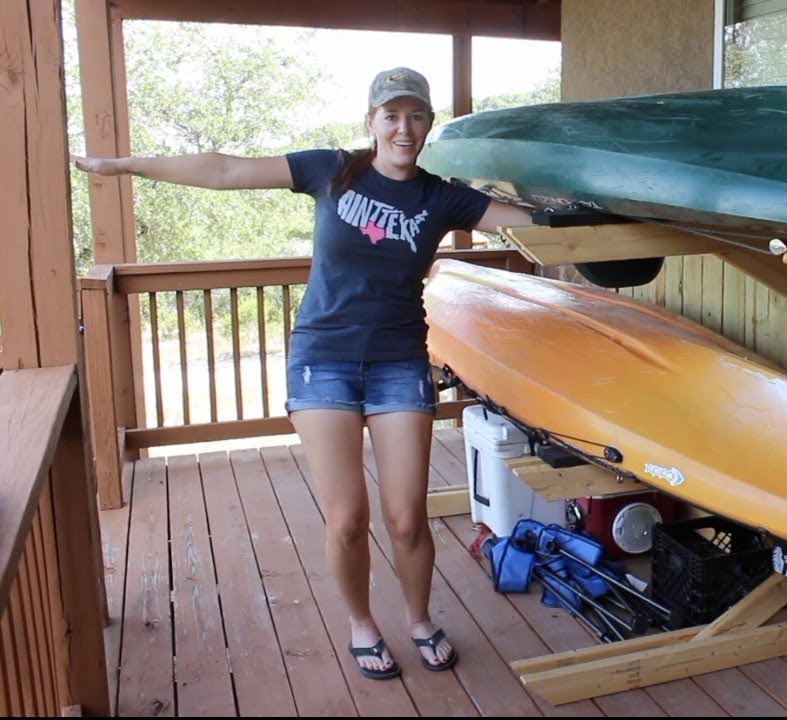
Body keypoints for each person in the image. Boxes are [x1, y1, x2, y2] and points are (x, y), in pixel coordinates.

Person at [73, 67, 532, 680]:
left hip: (399, 361)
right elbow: (226, 170)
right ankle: (362, 624)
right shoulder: (332, 171)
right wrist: (125, 166)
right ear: (370, 121)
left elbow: (526, 220)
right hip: (323, 361)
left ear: (427, 125)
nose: (404, 128)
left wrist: (620, 209)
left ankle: (418, 619)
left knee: (405, 516)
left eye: (416, 116)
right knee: (346, 517)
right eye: (391, 115)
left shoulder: (441, 196)